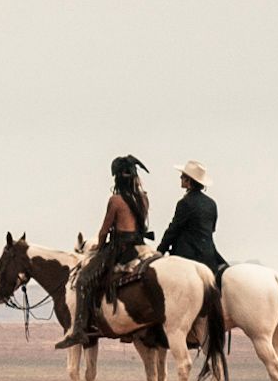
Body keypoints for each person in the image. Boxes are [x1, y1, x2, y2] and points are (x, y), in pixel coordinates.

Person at [62, 154, 153, 349]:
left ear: (117, 178)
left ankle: (78, 329)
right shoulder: (143, 198)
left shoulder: (116, 200)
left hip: (120, 248)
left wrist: (99, 245)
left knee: (83, 279)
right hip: (140, 246)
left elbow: (104, 230)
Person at [158, 160, 227, 365]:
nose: (180, 179)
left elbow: (174, 229)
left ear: (189, 181)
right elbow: (212, 229)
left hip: (188, 255)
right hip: (210, 255)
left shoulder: (185, 203)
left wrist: (160, 251)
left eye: (183, 177)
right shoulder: (211, 203)